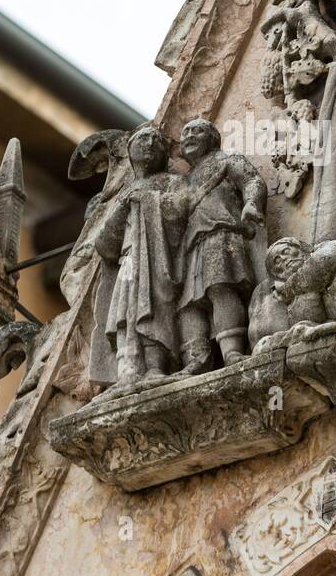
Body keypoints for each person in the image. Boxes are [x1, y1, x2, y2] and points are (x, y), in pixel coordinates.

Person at [176, 119, 267, 373]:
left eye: (197, 131)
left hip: (221, 235)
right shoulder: (182, 181)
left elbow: (252, 181)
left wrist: (251, 203)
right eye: (185, 132)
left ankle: (232, 351)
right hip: (190, 248)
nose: (189, 136)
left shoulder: (227, 159)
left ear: (213, 138)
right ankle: (196, 359)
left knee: (220, 289)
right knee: (188, 305)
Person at [96, 125, 183, 383]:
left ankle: (156, 367)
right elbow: (104, 246)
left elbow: (181, 217)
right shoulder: (125, 195)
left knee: (156, 308)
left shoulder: (172, 182)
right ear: (130, 150)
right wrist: (124, 206)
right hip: (130, 260)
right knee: (124, 314)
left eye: (156, 140)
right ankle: (127, 372)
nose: (149, 143)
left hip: (159, 259)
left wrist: (149, 199)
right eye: (142, 139)